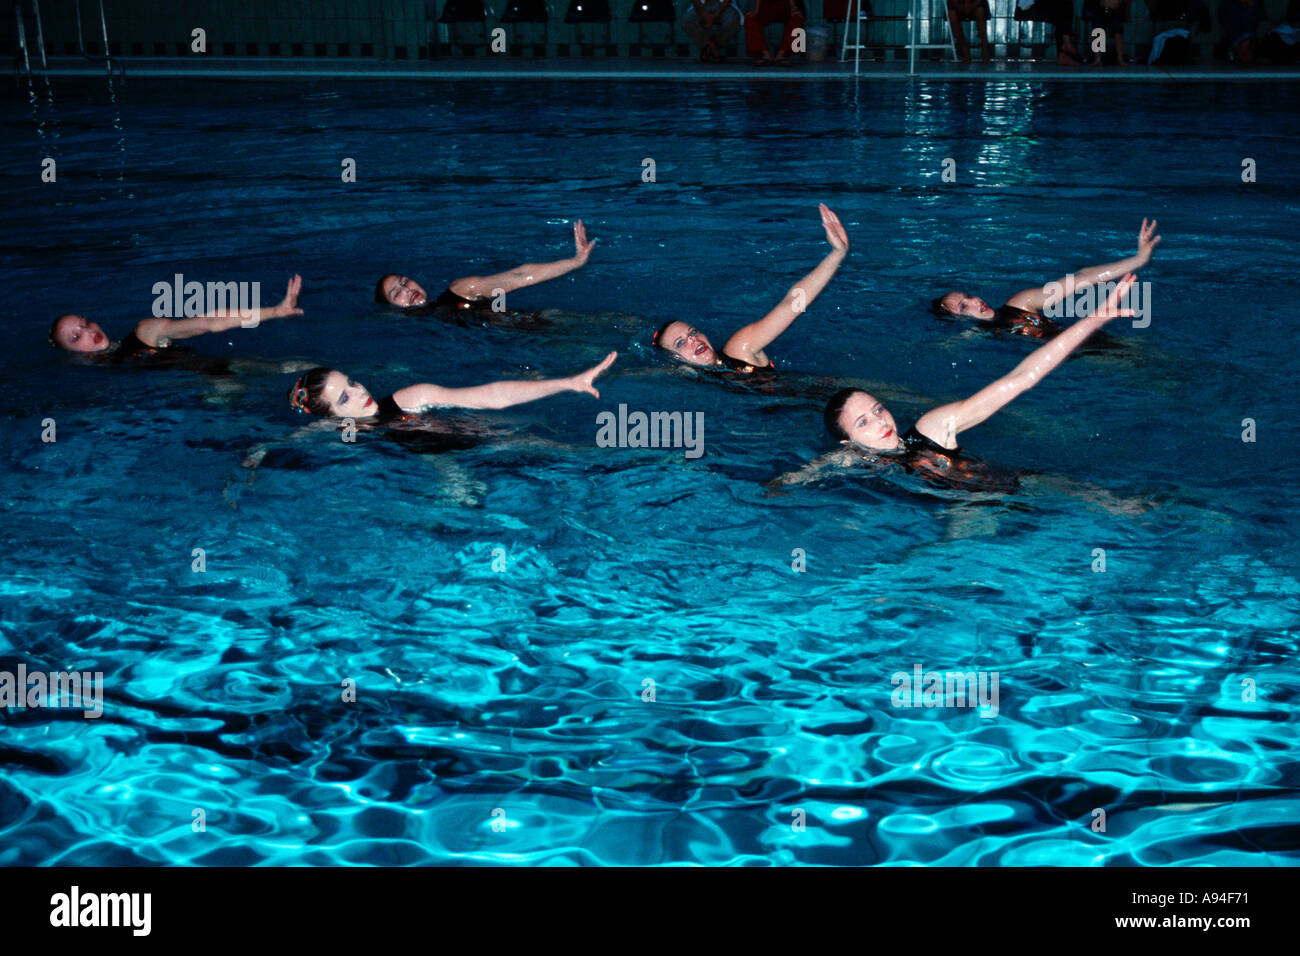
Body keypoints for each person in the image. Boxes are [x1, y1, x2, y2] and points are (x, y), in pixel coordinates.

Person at [795, 274, 1139, 489]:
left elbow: (1021, 378)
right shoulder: (851, 461)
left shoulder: (932, 428)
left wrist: (1093, 320)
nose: (882, 421)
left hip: (1022, 491)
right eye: (863, 421)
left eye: (878, 408)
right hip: (973, 516)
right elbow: (803, 475)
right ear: (848, 442)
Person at [652, 203, 848, 375]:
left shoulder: (739, 349)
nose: (693, 340)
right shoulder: (684, 377)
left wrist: (837, 255)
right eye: (680, 343)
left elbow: (792, 305)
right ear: (674, 360)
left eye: (693, 332)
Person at [930, 218, 1159, 339]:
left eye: (968, 296)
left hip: (1091, 344)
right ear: (959, 322)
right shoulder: (977, 335)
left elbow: (1080, 279)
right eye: (963, 307)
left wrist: (1138, 260)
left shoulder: (1020, 303)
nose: (974, 301)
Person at [287, 352, 617, 424]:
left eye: (353, 381)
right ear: (331, 416)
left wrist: (568, 383)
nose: (360, 391)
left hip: (480, 442)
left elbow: (492, 397)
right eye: (346, 396)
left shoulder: (409, 399)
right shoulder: (337, 432)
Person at [49, 275, 304, 364]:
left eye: (85, 323)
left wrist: (274, 312)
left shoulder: (145, 333)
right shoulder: (87, 377)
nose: (88, 331)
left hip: (216, 376)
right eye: (76, 336)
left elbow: (208, 323)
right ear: (70, 353)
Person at [374, 220, 595, 321]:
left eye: (404, 281)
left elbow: (516, 276)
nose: (406, 289)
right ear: (391, 310)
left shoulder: (459, 291)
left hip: (537, 327)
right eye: (396, 293)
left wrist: (575, 262)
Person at [1014, 0, 1084, 65]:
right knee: (1064, 6)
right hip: (1029, 6)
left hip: (1031, 6)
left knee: (1062, 13)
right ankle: (1065, 46)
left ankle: (1063, 51)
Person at [745, 0, 805, 65]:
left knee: (797, 18)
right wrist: (756, 10)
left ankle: (782, 54)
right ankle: (764, 55)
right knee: (750, 19)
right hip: (766, 7)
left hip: (784, 6)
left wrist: (793, 8)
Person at [1083, 0, 1131, 65]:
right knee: (1099, 32)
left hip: (1116, 9)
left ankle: (1120, 59)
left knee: (1118, 33)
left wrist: (1127, 12)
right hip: (1100, 8)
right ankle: (1098, 59)